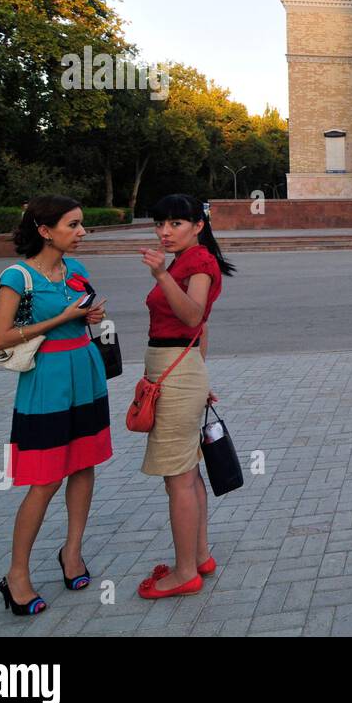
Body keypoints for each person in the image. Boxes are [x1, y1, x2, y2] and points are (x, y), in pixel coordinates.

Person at [0, 195, 111, 616]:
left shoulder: (75, 270)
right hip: (46, 381)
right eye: (73, 225)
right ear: (45, 230)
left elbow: (80, 311)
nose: (81, 232)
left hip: (85, 373)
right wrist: (61, 319)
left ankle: (71, 552)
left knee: (83, 464)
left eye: (81, 224)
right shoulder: (16, 276)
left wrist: (88, 317)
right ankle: (16, 574)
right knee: (45, 479)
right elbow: (0, 337)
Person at [136, 194, 235, 599]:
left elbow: (193, 316)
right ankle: (199, 556)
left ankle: (184, 574)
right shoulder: (188, 260)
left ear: (198, 225)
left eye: (176, 223)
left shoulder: (196, 262)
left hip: (175, 369)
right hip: (180, 368)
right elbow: (202, 328)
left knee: (179, 479)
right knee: (188, 474)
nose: (164, 232)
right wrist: (199, 373)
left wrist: (160, 276)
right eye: (160, 223)